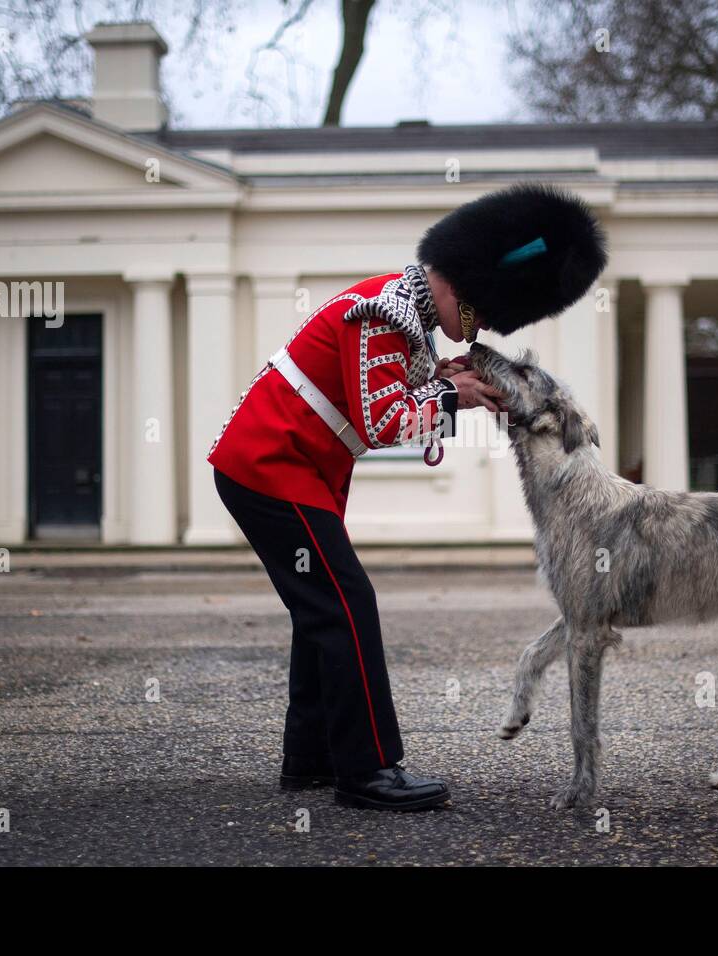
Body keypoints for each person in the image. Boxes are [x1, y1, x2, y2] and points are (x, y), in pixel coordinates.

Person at [208, 183, 607, 810]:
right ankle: (367, 772)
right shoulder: (386, 312)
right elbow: (382, 420)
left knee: (321, 613)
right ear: (455, 282)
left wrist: (443, 381)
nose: (470, 329)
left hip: (289, 469)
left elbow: (388, 385)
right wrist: (455, 397)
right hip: (271, 466)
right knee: (348, 606)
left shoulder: (402, 311)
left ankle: (308, 760)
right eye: (473, 312)